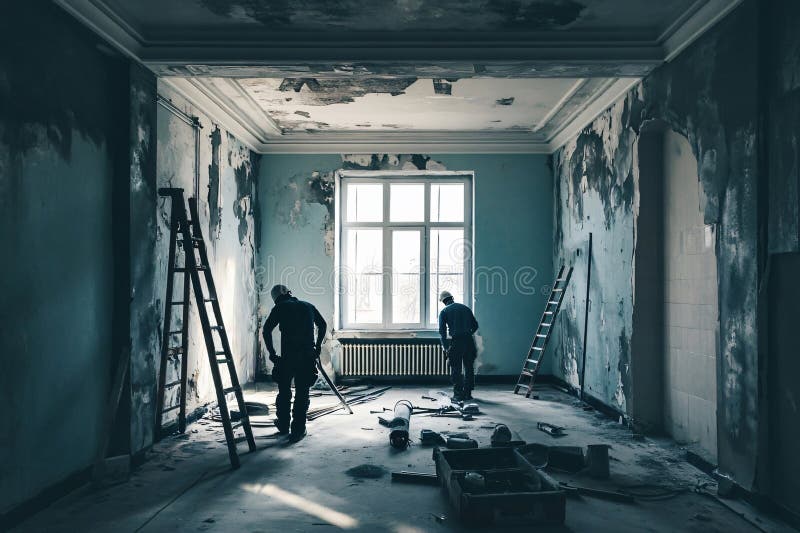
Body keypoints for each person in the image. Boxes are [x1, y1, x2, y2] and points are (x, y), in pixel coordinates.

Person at [262, 284, 327, 442]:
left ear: (276, 299)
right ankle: (297, 430)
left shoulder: (280, 308)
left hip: (288, 357)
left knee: (284, 391)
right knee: (302, 393)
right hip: (307, 356)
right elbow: (323, 324)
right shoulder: (308, 306)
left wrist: (272, 353)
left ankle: (284, 425)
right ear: (289, 292)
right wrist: (317, 346)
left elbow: (266, 330)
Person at [437, 290, 479, 402]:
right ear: (452, 298)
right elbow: (475, 326)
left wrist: (445, 348)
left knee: (456, 368)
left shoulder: (444, 312)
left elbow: (442, 332)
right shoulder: (465, 308)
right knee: (469, 367)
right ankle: (468, 393)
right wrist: (468, 333)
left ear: (443, 301)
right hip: (469, 341)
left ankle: (458, 394)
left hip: (457, 342)